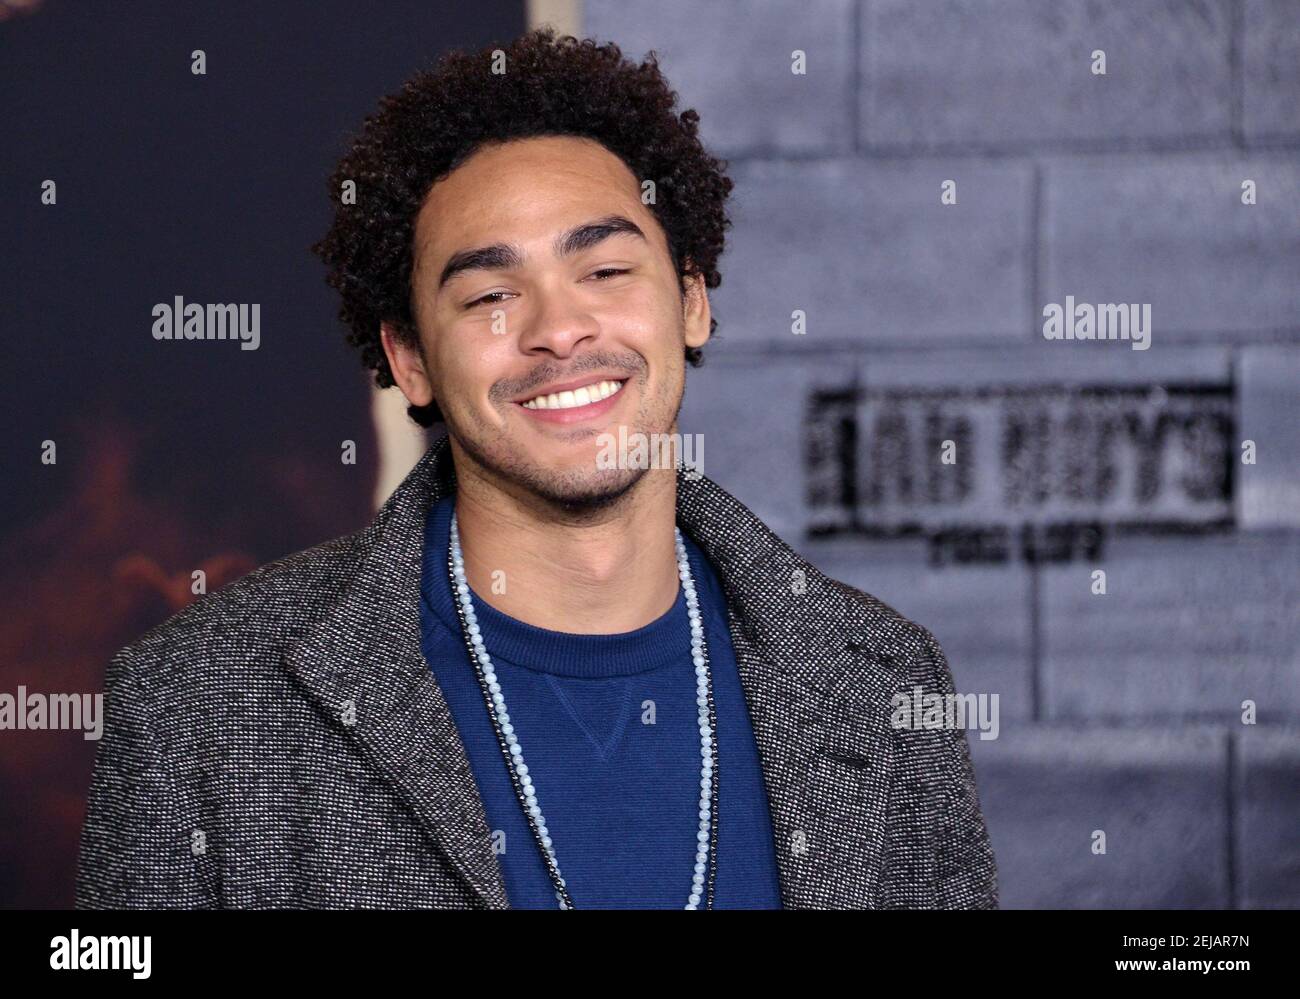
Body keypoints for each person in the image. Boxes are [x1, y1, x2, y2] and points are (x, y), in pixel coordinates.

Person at [76, 26, 997, 910]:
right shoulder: (199, 705)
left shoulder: (880, 680)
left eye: (604, 271)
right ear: (409, 361)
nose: (559, 329)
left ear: (691, 303)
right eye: (490, 295)